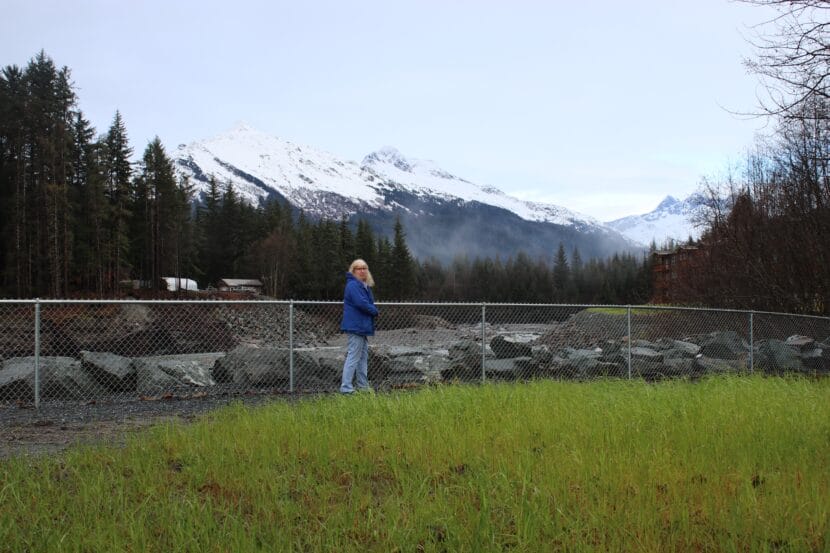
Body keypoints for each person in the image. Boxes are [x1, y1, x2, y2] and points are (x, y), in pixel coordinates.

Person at [340, 259, 378, 394]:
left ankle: (362, 386)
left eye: (364, 268)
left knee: (362, 358)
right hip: (356, 327)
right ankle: (346, 389)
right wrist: (375, 311)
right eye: (359, 268)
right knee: (353, 357)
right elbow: (362, 303)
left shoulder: (363, 285)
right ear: (353, 271)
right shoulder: (353, 286)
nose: (362, 271)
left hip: (360, 327)